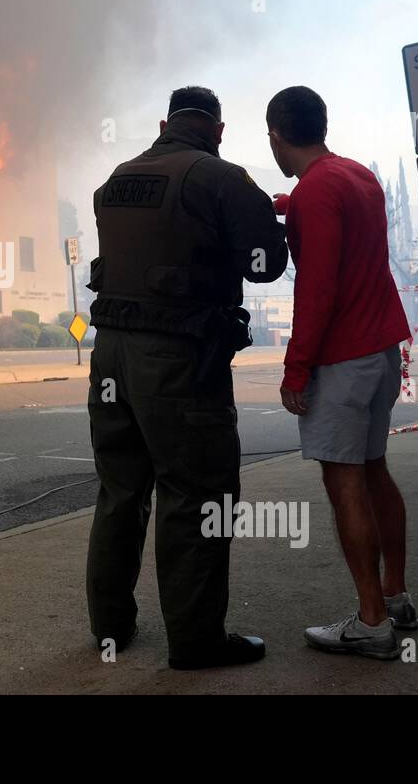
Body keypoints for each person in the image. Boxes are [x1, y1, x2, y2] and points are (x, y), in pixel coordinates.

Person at [86, 85, 287, 669]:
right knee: (197, 493)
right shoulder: (220, 178)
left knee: (121, 490)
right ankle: (196, 641)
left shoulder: (115, 180)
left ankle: (110, 628)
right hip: (178, 360)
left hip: (110, 356)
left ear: (164, 122)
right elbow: (267, 263)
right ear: (218, 129)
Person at [265, 85, 415, 661]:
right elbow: (340, 229)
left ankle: (372, 623)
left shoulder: (315, 195)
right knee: (375, 469)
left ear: (277, 135)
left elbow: (318, 288)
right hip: (380, 352)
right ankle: (395, 596)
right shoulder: (357, 176)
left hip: (342, 359)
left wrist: (295, 369)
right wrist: (288, 206)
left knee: (344, 481)